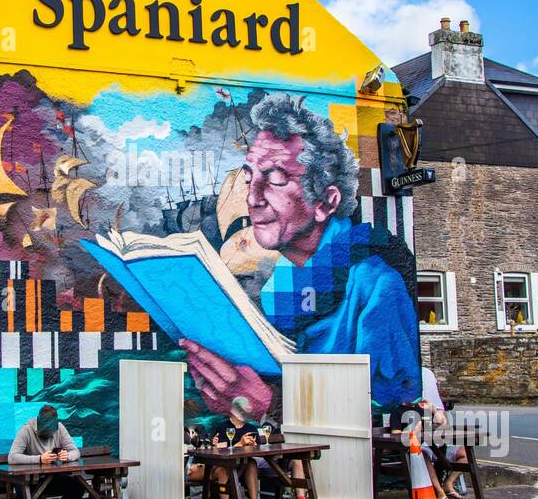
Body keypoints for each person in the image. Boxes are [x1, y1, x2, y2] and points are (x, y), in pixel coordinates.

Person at [180, 93, 420, 427]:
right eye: (250, 179)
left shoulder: (376, 287)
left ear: (326, 201)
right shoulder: (279, 282)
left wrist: (268, 405)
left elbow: (396, 415)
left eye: (275, 179)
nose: (251, 198)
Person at [8, 404, 81, 499]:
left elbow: (75, 451)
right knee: (33, 487)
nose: (49, 435)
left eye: (51, 432)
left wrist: (67, 456)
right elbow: (12, 457)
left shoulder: (60, 428)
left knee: (78, 487)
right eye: (45, 431)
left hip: (50, 479)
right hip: (27, 481)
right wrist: (40, 459)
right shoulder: (26, 431)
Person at [417, 366, 469, 499]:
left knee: (465, 453)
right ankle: (439, 491)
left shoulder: (430, 407)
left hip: (440, 445)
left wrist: (433, 408)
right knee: (423, 454)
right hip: (423, 446)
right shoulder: (403, 410)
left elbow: (443, 423)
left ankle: (448, 483)